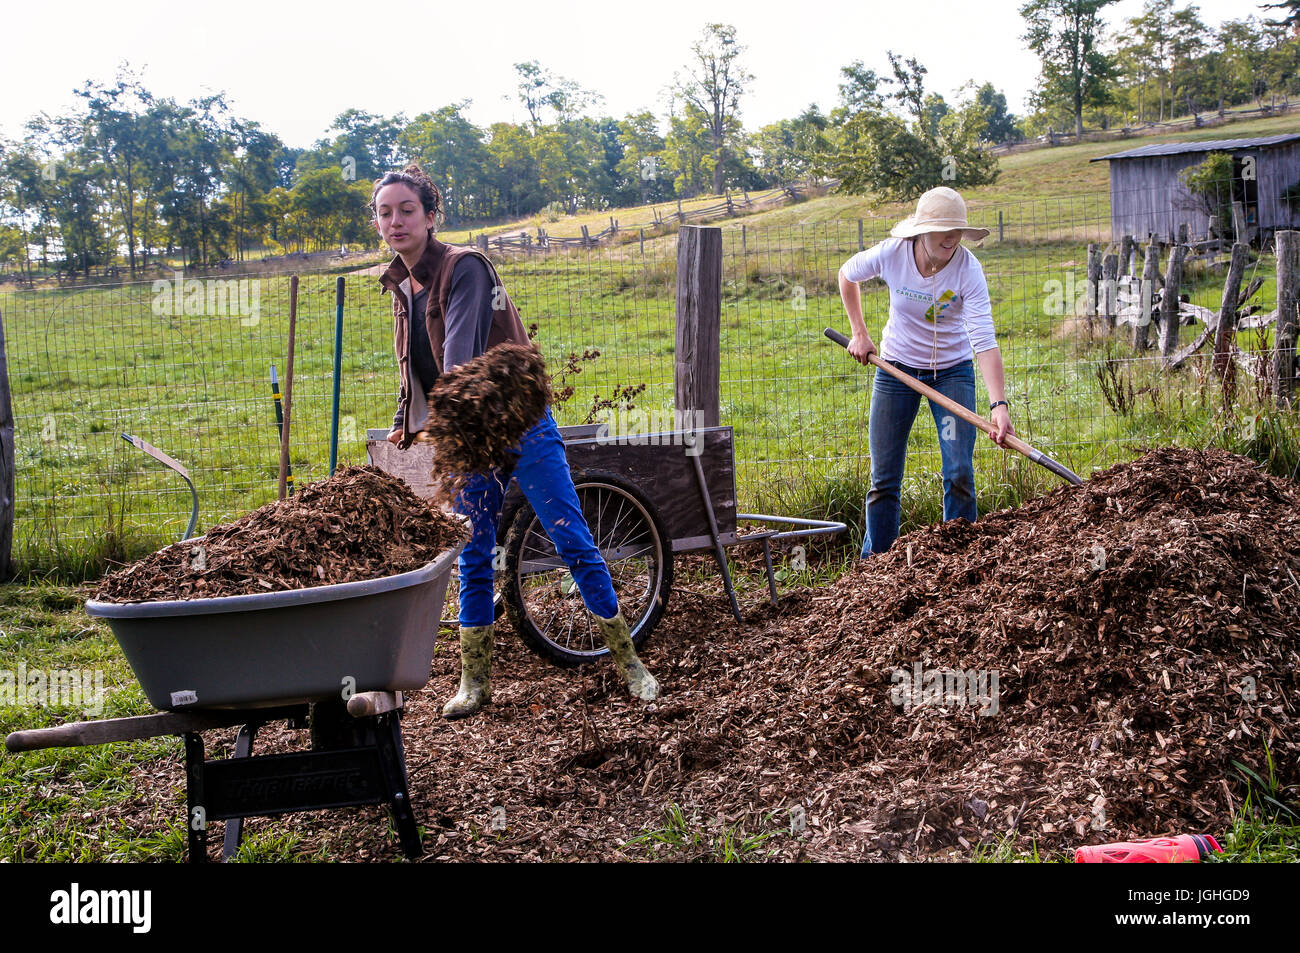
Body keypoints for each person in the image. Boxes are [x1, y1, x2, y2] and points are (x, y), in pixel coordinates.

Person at [371, 164, 659, 717]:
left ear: (431, 217)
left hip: (519, 425)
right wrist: (408, 417)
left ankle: (630, 664)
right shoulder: (400, 287)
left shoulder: (467, 268)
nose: (396, 220)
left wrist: (443, 416)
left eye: (407, 209)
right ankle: (474, 683)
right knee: (473, 553)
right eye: (385, 212)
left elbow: (458, 355)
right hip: (469, 435)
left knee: (570, 535)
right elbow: (414, 362)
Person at [837, 186, 1015, 558]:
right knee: (884, 479)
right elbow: (847, 274)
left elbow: (983, 338)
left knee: (959, 473)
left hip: (951, 373)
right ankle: (877, 567)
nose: (951, 237)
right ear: (921, 230)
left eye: (957, 230)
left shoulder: (968, 269)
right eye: (941, 228)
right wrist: (860, 334)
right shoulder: (892, 254)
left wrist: (999, 404)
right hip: (895, 371)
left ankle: (960, 563)